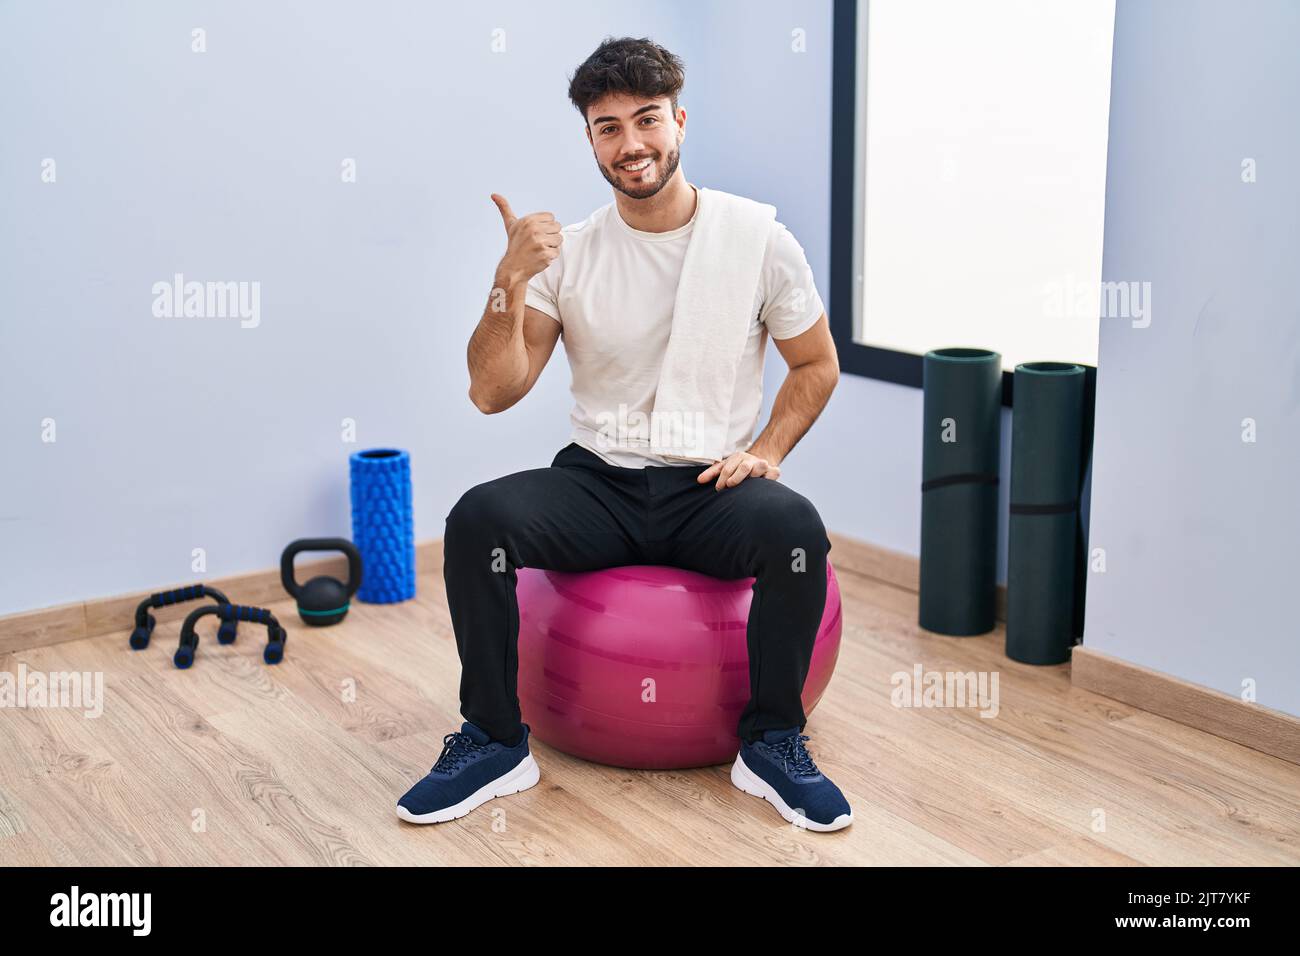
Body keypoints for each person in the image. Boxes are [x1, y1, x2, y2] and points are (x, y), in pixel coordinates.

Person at [397, 36, 850, 832]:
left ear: (679, 120)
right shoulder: (566, 254)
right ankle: (495, 741)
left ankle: (773, 741)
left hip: (710, 485)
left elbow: (815, 363)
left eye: (647, 121)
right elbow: (491, 392)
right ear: (590, 140)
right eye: (609, 128)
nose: (632, 145)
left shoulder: (757, 241)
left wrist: (767, 452)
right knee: (477, 518)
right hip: (597, 484)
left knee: (797, 532)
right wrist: (507, 279)